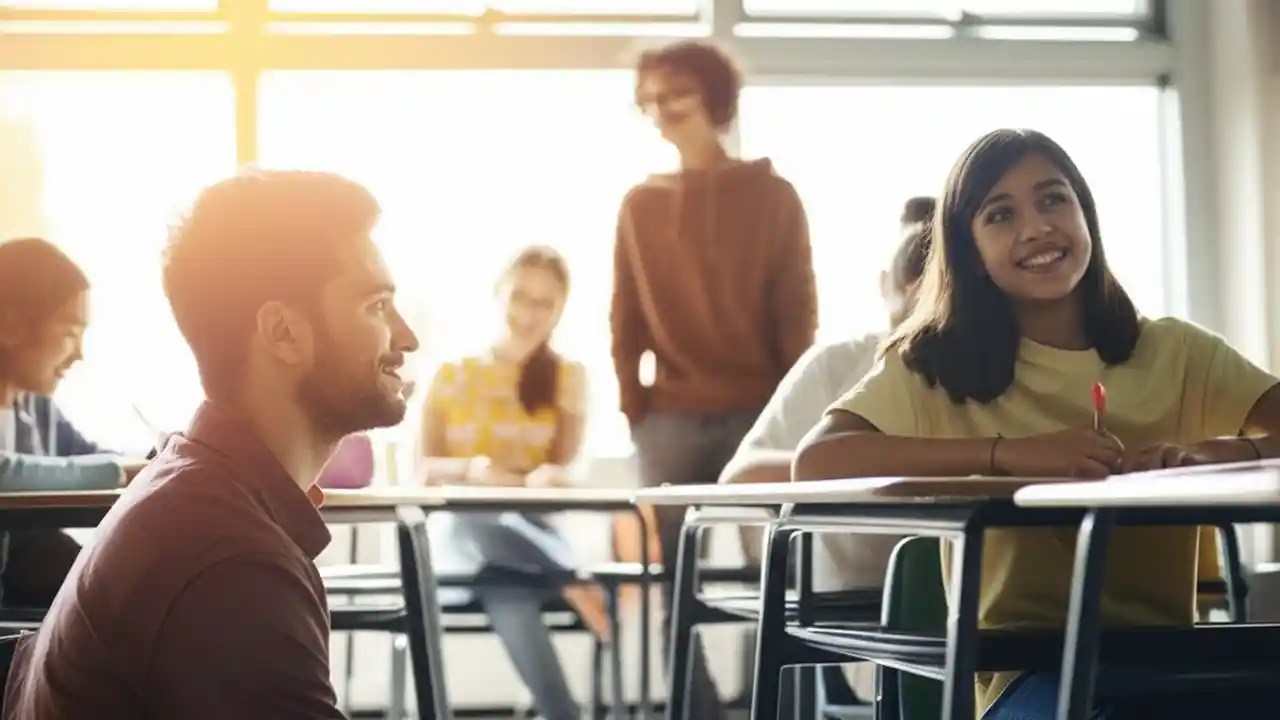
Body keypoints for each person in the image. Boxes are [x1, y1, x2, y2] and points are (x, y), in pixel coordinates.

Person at [795, 128, 1280, 718]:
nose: (1037, 227)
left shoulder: (1178, 351)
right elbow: (818, 460)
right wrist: (1011, 455)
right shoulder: (937, 364)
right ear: (969, 249)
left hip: (1170, 662)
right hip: (1027, 676)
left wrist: (1225, 454)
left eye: (1053, 199)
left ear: (1085, 215)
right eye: (1001, 215)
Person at [3, 170, 419, 719]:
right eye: (376, 306)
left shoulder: (193, 489)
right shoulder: (233, 561)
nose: (408, 337)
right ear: (283, 333)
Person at [612, 39, 817, 719]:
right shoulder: (639, 204)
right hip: (669, 420)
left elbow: (797, 313)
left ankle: (774, 708)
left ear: (715, 98)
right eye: (648, 99)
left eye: (675, 93)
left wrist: (790, 416)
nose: (660, 109)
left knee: (776, 574)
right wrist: (637, 411)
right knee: (676, 581)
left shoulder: (774, 196)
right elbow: (624, 317)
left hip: (759, 417)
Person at [718, 200, 932, 706]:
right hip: (854, 607)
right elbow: (742, 477)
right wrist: (855, 462)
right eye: (910, 280)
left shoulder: (994, 369)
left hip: (971, 606)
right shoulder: (841, 363)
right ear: (888, 285)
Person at [420, 245, 603, 720]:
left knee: (506, 588)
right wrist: (471, 471)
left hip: (530, 533)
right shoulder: (452, 374)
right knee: (476, 519)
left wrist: (553, 479)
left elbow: (566, 469)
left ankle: (563, 715)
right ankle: (571, 578)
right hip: (461, 540)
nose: (529, 313)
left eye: (544, 302)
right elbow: (422, 470)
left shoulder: (568, 376)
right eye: (520, 296)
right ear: (498, 292)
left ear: (560, 310)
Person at [0, 237, 146, 609]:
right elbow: (5, 472)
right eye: (70, 333)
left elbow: (85, 456)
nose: (79, 354)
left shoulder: (36, 409)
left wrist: (157, 461)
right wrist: (121, 471)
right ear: (10, 326)